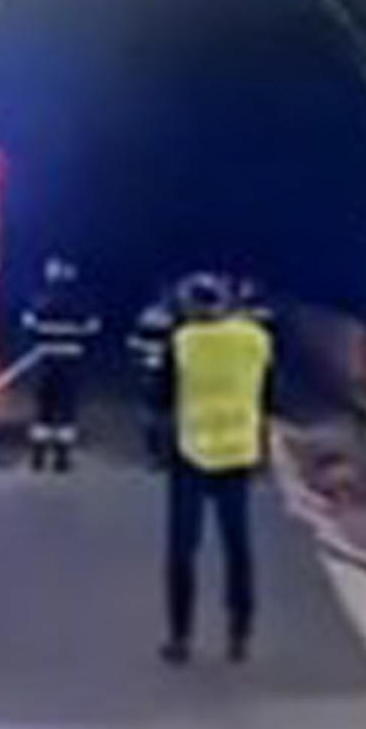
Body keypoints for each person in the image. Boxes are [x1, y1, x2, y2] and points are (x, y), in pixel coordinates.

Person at [157, 273, 273, 665]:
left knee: (182, 551)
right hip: (238, 453)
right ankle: (240, 635)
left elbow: (161, 397)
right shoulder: (254, 339)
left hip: (190, 453)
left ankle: (180, 637)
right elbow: (268, 393)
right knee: (238, 549)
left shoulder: (183, 342)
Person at [21, 258, 100, 473]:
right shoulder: (81, 303)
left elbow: (28, 326)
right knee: (66, 411)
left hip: (44, 362)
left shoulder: (39, 301)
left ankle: (37, 457)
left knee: (43, 410)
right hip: (70, 363)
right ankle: (62, 459)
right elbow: (93, 328)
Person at [129, 291, 177, 468]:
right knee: (165, 415)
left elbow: (134, 342)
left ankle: (155, 454)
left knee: (152, 414)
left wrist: (140, 360)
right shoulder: (182, 316)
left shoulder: (148, 315)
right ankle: (166, 454)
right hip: (172, 371)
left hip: (151, 370)